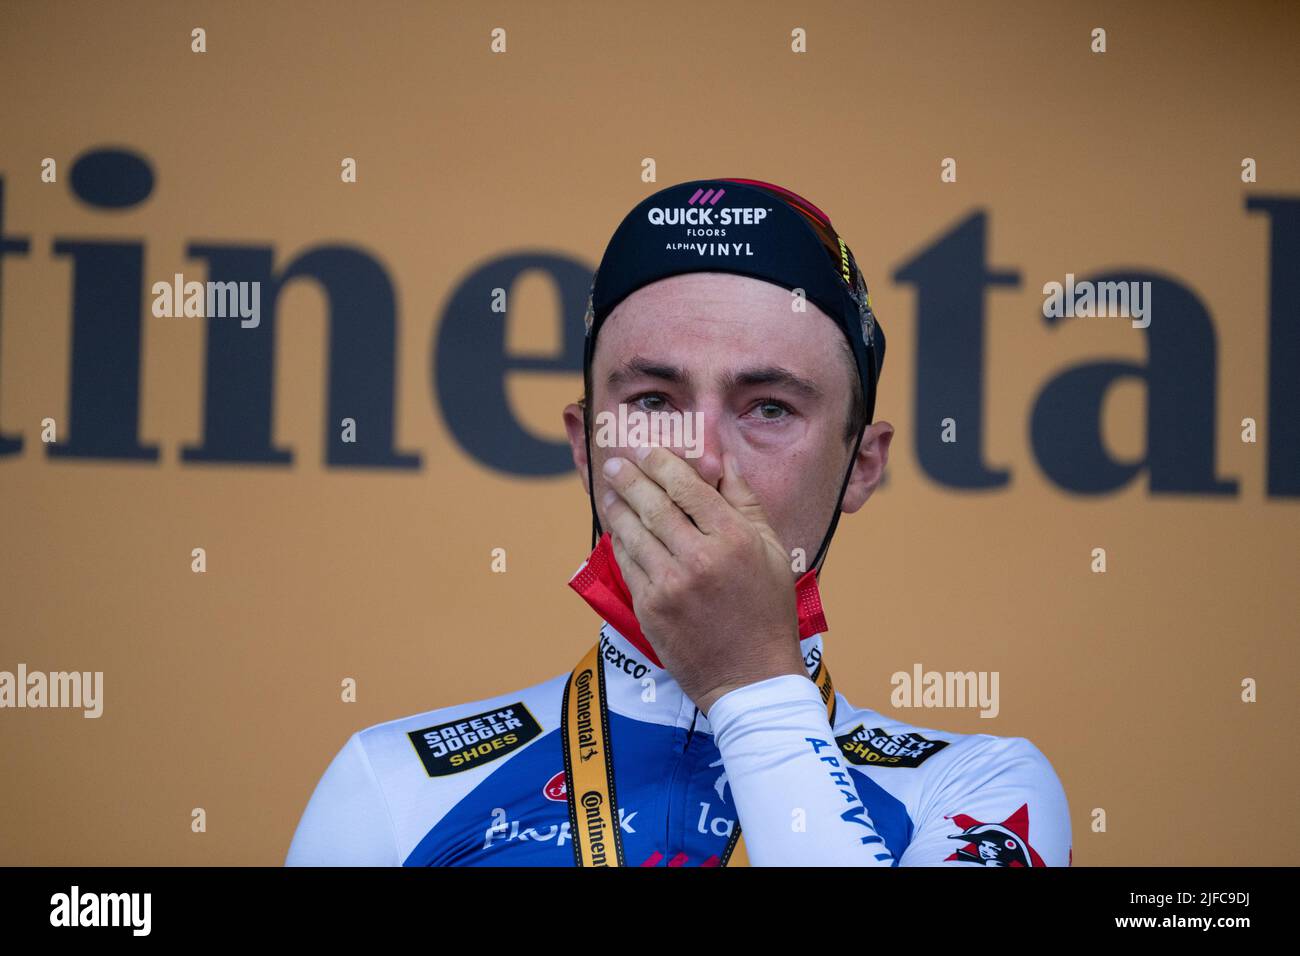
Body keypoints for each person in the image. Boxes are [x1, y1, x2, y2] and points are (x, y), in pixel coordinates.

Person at [284, 177, 1072, 866]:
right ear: (586, 447)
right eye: (655, 401)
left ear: (861, 465)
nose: (700, 456)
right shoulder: (393, 785)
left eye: (769, 407)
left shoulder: (979, 788)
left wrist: (751, 681)